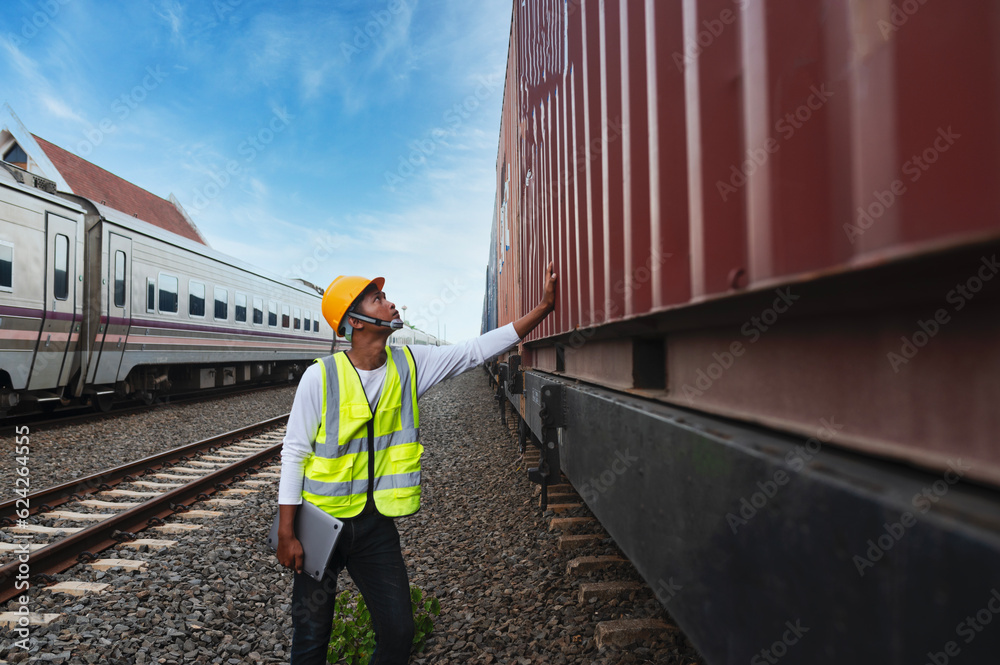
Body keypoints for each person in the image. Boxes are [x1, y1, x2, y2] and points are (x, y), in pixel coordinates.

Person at [277, 262, 557, 665]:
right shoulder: (320, 378)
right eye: (378, 299)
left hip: (374, 525)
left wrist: (542, 310)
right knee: (311, 637)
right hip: (320, 524)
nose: (390, 304)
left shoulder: (409, 364)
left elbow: (473, 350)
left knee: (399, 632)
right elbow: (295, 453)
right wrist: (287, 532)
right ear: (355, 321)